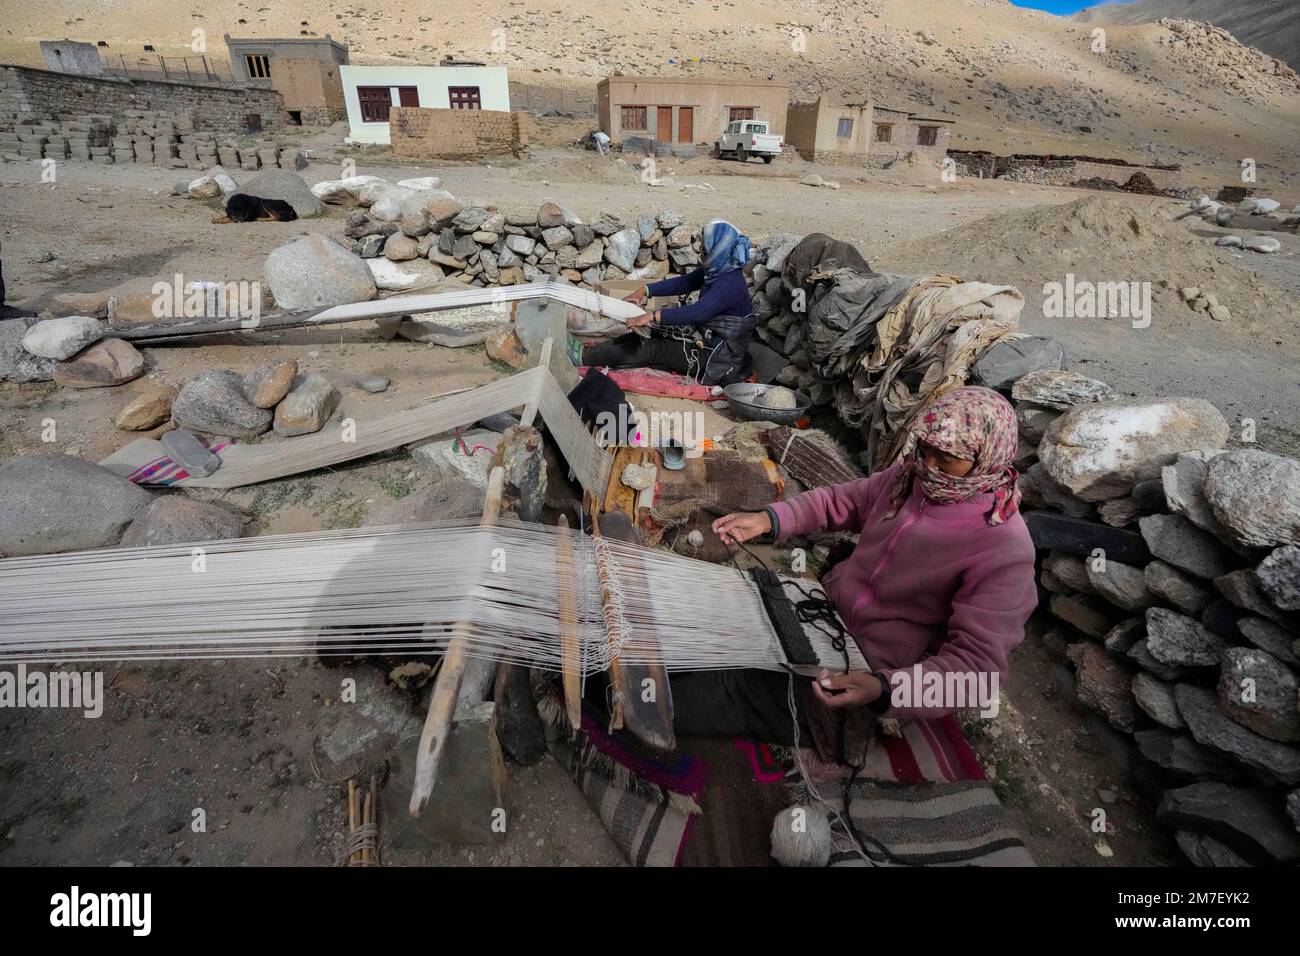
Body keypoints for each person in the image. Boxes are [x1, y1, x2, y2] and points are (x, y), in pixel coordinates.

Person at [668, 386, 1037, 754]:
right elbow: (843, 500)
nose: (930, 466)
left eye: (947, 458)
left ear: (987, 458)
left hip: (868, 669)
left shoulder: (1003, 549)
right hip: (820, 614)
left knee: (708, 694)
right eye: (924, 450)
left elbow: (977, 670)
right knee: (697, 634)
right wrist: (770, 518)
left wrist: (883, 688)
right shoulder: (908, 480)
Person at [570, 219, 756, 386]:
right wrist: (645, 291)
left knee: (653, 347)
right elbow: (685, 282)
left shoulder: (729, 283)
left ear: (717, 251)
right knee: (647, 333)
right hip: (706, 340)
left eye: (704, 248)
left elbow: (698, 312)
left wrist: (651, 315)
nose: (700, 250)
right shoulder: (718, 269)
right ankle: (592, 354)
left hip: (716, 356)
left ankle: (585, 358)